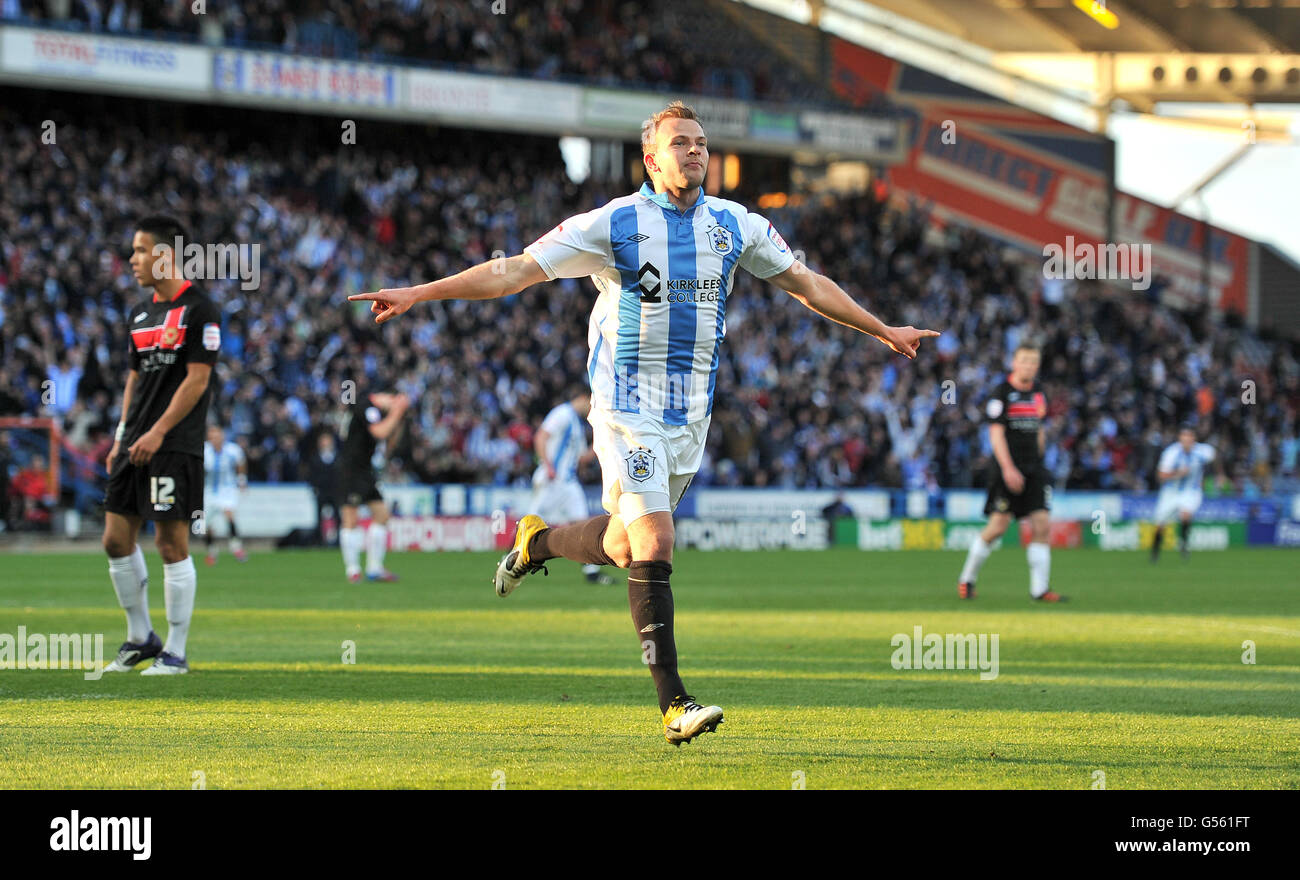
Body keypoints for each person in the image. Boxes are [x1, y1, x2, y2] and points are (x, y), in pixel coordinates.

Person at [349, 100, 939, 744]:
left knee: (627, 545)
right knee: (656, 541)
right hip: (627, 405)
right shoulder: (616, 222)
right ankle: (675, 704)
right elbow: (512, 272)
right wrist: (419, 291)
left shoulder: (734, 226)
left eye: (702, 142)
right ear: (651, 158)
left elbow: (808, 284)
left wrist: (883, 330)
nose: (696, 152)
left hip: (692, 413)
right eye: (681, 142)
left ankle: (535, 544)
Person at [102, 216, 222, 675]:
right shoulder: (139, 314)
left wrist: (158, 431)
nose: (132, 259)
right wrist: (122, 434)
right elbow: (133, 380)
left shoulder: (201, 310)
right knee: (115, 540)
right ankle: (140, 637)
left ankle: (176, 649)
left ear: (166, 255)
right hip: (134, 443)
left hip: (174, 445)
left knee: (171, 544)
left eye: (139, 250)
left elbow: (198, 380)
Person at [957, 343, 1066, 602]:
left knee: (1042, 525)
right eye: (1025, 361)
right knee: (998, 526)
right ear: (1015, 364)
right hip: (1008, 469)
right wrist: (1008, 469)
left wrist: (1040, 462)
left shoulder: (1039, 393)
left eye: (1034, 362)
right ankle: (967, 579)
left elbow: (1039, 428)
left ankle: (1039, 590)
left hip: (1035, 470)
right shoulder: (1001, 393)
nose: (1029, 366)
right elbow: (995, 434)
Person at [527, 391, 614, 585]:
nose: (591, 408)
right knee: (531, 522)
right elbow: (541, 437)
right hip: (552, 479)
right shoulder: (562, 414)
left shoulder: (575, 423)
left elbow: (582, 458)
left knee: (582, 524)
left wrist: (603, 439)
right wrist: (547, 465)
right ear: (583, 398)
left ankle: (592, 572)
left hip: (568, 483)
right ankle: (511, 561)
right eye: (590, 403)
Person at [338, 387, 407, 583]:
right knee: (351, 518)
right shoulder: (365, 405)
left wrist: (398, 419)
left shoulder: (376, 413)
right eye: (392, 398)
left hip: (365, 471)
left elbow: (389, 443)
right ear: (382, 395)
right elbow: (379, 432)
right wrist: (397, 411)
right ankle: (353, 570)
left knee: (382, 515)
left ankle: (374, 568)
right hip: (350, 470)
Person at [1151, 425, 1218, 562]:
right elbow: (1161, 476)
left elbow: (1215, 457)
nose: (1187, 441)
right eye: (1184, 438)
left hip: (1190, 491)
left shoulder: (1203, 451)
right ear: (1180, 439)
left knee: (1185, 514)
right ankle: (1155, 553)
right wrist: (1177, 474)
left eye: (1189, 437)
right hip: (1171, 492)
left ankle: (1184, 545)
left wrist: (1219, 475)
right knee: (1160, 524)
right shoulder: (1171, 453)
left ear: (1194, 439)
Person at [202, 424, 248, 565]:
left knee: (229, 514)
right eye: (212, 436)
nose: (215, 439)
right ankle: (212, 552)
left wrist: (241, 480)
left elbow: (241, 462)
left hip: (227, 489)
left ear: (222, 436)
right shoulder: (204, 450)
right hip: (208, 490)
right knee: (203, 525)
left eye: (217, 435)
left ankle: (236, 547)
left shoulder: (232, 449)